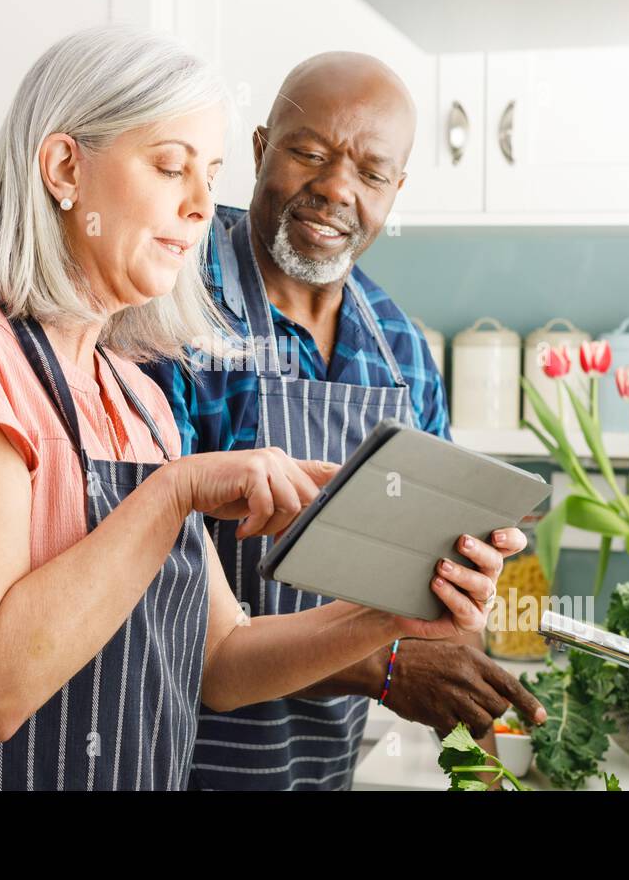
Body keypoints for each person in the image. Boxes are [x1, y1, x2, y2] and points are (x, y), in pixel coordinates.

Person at [0, 26, 506, 791]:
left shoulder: (131, 395)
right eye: (172, 167)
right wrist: (175, 492)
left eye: (210, 174)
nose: (205, 207)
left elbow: (222, 661)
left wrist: (397, 619)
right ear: (65, 168)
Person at [142, 51, 547, 791]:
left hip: (318, 767)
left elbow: (442, 584)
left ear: (396, 188)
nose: (334, 190)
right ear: (261, 149)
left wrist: (466, 604)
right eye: (308, 154)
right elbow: (147, 592)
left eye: (369, 172)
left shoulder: (400, 352)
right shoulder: (169, 306)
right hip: (171, 758)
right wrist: (382, 667)